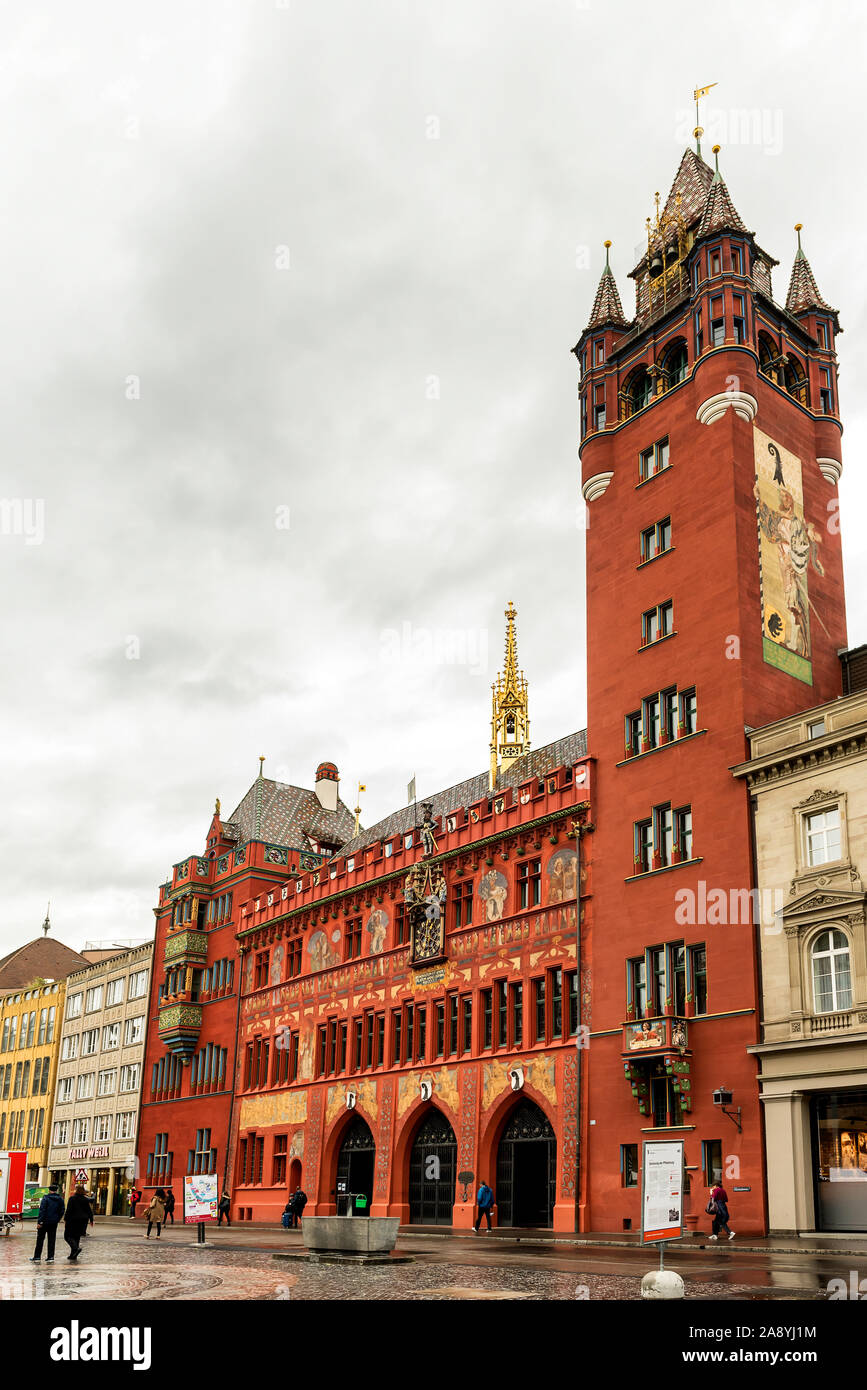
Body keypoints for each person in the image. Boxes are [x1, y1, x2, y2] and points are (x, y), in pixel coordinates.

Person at [30, 1184, 65, 1263]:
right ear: (56, 1190)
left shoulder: (46, 1198)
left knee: (40, 1239)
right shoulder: (60, 1199)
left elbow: (42, 1210)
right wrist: (57, 1219)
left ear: (49, 1190)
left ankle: (37, 1256)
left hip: (44, 1222)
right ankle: (50, 1257)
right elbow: (62, 1210)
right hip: (53, 1222)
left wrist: (40, 1222)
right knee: (52, 1240)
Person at [63, 1185, 93, 1260]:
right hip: (82, 1221)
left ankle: (75, 1248)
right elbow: (89, 1210)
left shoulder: (72, 1199)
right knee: (76, 1237)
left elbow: (69, 1210)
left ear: (76, 1190)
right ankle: (73, 1255)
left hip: (72, 1221)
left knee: (67, 1236)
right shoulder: (85, 1200)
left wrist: (65, 1219)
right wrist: (91, 1220)